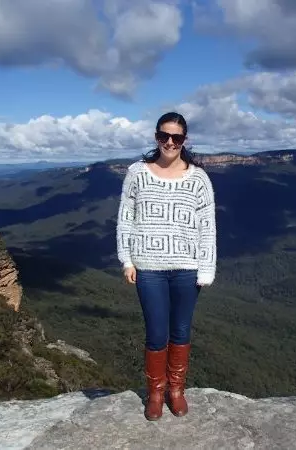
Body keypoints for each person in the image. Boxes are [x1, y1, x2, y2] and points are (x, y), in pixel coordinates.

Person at [116, 111, 217, 421]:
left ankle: (177, 389)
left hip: (187, 267)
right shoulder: (137, 172)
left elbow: (207, 225)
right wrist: (126, 259)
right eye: (164, 136)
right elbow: (126, 217)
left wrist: (206, 268)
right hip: (148, 267)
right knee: (157, 333)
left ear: (185, 140)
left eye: (176, 137)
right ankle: (156, 392)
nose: (170, 142)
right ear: (156, 137)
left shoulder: (198, 177)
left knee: (181, 330)